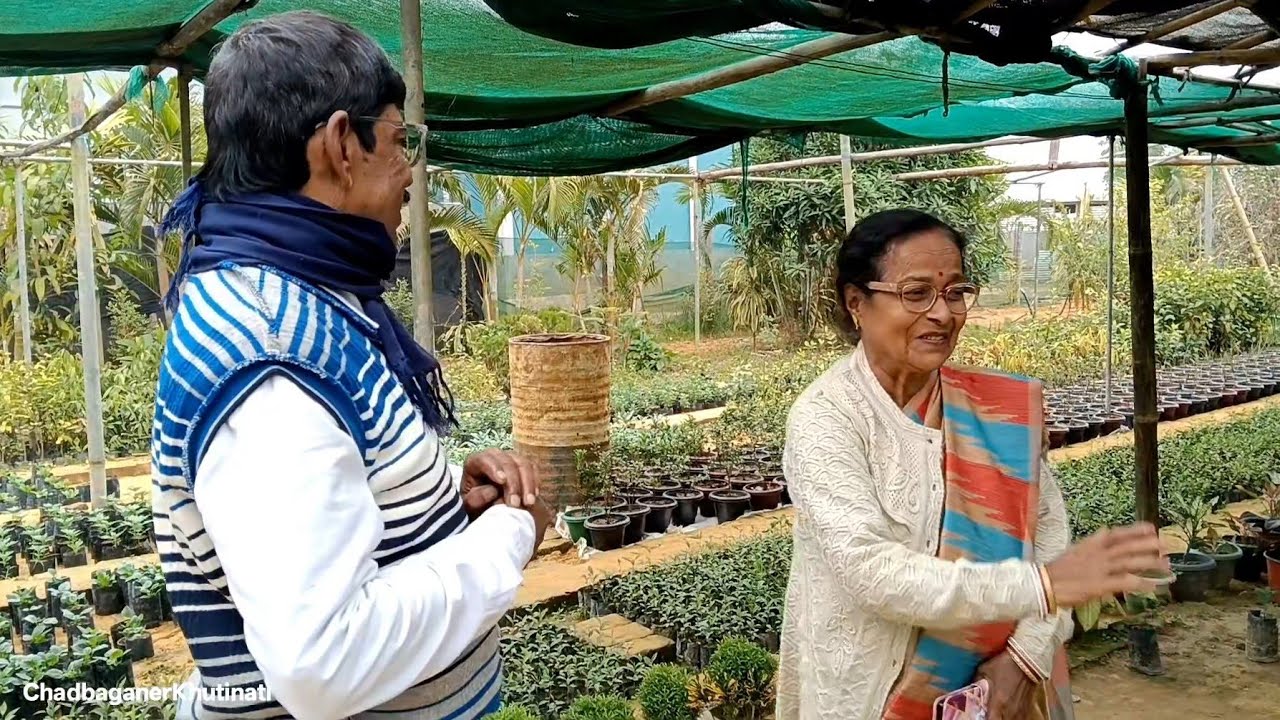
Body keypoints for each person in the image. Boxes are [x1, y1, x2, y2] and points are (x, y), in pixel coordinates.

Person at [151, 11, 552, 720]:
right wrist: (507, 536)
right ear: (342, 142)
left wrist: (435, 509)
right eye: (404, 140)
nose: (409, 169)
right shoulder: (269, 350)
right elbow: (322, 663)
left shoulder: (299, 295)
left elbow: (321, 502)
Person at [775, 209, 1169, 720]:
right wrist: (1044, 586)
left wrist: (1026, 657)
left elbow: (1047, 534)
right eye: (916, 293)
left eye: (955, 291)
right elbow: (870, 572)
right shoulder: (826, 417)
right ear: (857, 303)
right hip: (868, 696)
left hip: (996, 689)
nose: (942, 313)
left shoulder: (995, 412)